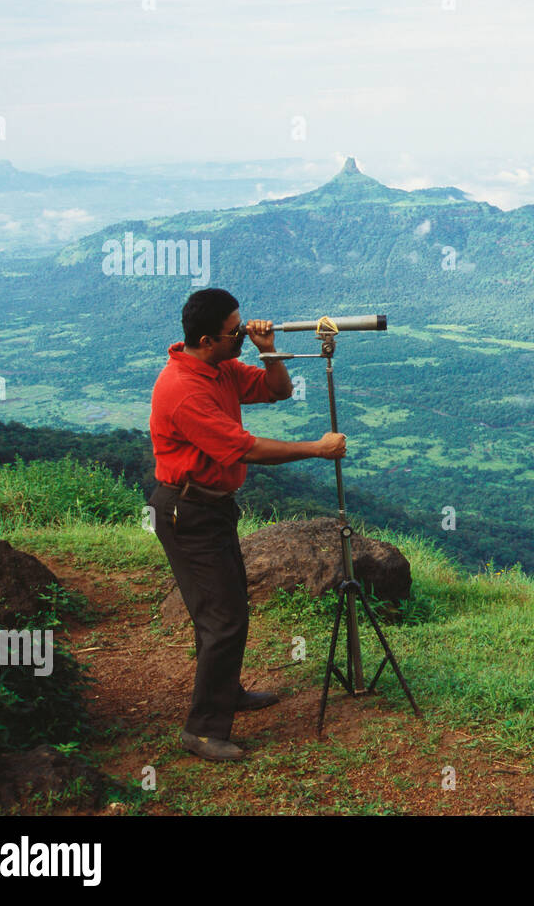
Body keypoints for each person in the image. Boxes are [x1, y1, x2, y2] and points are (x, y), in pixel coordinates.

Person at [147, 288, 347, 761]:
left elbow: (276, 390)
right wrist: (317, 449)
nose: (242, 331)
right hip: (187, 512)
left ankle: (226, 691)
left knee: (227, 606)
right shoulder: (184, 389)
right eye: (234, 330)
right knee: (224, 619)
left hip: (212, 508)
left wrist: (267, 349)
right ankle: (202, 730)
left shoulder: (217, 367)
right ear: (206, 339)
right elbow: (247, 449)